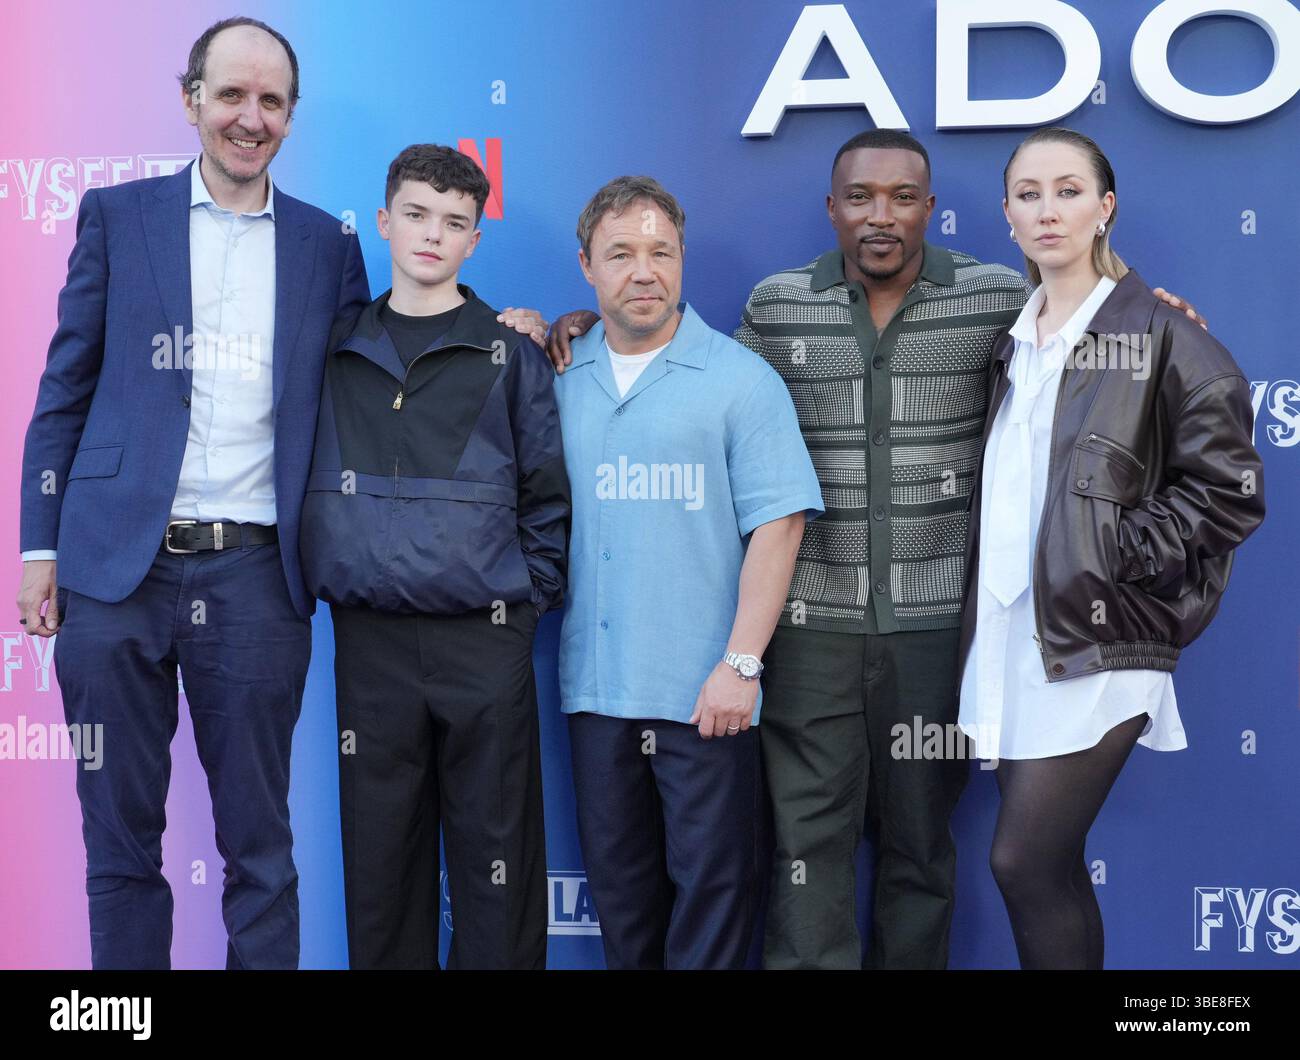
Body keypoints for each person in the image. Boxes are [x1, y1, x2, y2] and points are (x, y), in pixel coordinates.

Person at [542, 130, 1205, 970]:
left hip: (939, 633)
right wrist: (578, 325)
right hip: (810, 630)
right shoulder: (777, 306)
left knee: (921, 848)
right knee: (804, 848)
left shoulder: (999, 294)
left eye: (901, 198)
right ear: (832, 209)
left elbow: (1087, 317)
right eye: (859, 198)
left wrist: (1153, 311)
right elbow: (681, 364)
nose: (880, 216)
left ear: (931, 208)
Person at [15, 17, 372, 969]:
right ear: (190, 100)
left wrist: (509, 325)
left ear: (291, 117)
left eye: (270, 101)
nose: (249, 118)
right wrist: (39, 548)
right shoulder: (115, 216)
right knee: (118, 841)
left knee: (260, 847)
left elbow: (374, 375)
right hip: (110, 573)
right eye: (230, 96)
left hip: (257, 578)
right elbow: (65, 387)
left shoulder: (326, 248)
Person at [958, 126, 1265, 969]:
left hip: (1099, 639)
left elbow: (1232, 489)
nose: (1047, 209)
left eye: (1067, 190)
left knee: (1020, 860)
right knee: (1045, 867)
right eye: (1028, 194)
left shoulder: (1159, 331)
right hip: (1013, 638)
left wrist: (1114, 556)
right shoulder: (1011, 344)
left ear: (1106, 208)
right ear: (1007, 216)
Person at [299, 144, 569, 969]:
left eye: (455, 222)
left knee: (499, 866)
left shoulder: (510, 353)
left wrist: (520, 605)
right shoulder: (333, 348)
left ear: (474, 240)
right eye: (416, 214)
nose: (432, 235)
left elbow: (547, 497)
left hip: (483, 641)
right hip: (369, 642)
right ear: (383, 222)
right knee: (380, 867)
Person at [554, 176, 823, 969]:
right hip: (597, 696)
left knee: (713, 911)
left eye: (661, 252)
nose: (645, 271)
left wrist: (740, 666)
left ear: (682, 260)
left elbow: (780, 526)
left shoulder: (741, 380)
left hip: (708, 702)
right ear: (587, 267)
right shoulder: (557, 374)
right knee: (624, 913)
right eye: (622, 254)